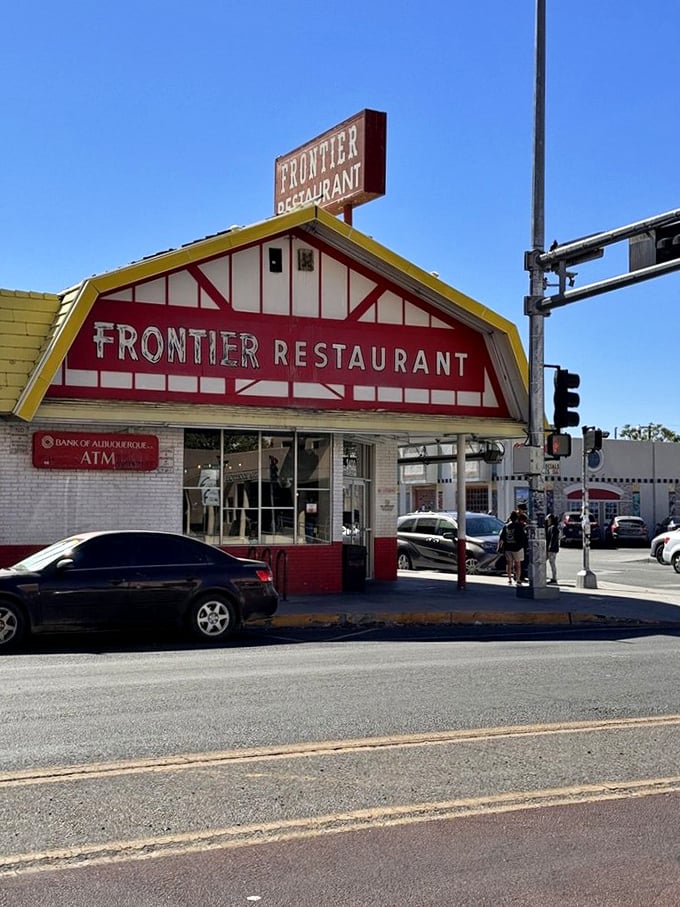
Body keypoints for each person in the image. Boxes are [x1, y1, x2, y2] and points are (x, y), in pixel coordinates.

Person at [498, 510, 527, 585]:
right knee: (518, 564)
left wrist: (500, 547)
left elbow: (502, 537)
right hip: (517, 548)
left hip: (508, 547)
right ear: (517, 518)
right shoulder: (519, 526)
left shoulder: (506, 526)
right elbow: (523, 537)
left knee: (509, 564)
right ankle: (518, 579)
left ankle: (509, 579)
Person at [546, 513, 560, 584]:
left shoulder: (553, 528)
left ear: (550, 519)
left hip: (552, 549)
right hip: (550, 549)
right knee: (550, 563)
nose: (547, 520)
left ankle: (554, 578)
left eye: (548, 519)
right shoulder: (551, 527)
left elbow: (553, 539)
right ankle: (552, 578)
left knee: (552, 563)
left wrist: (550, 547)